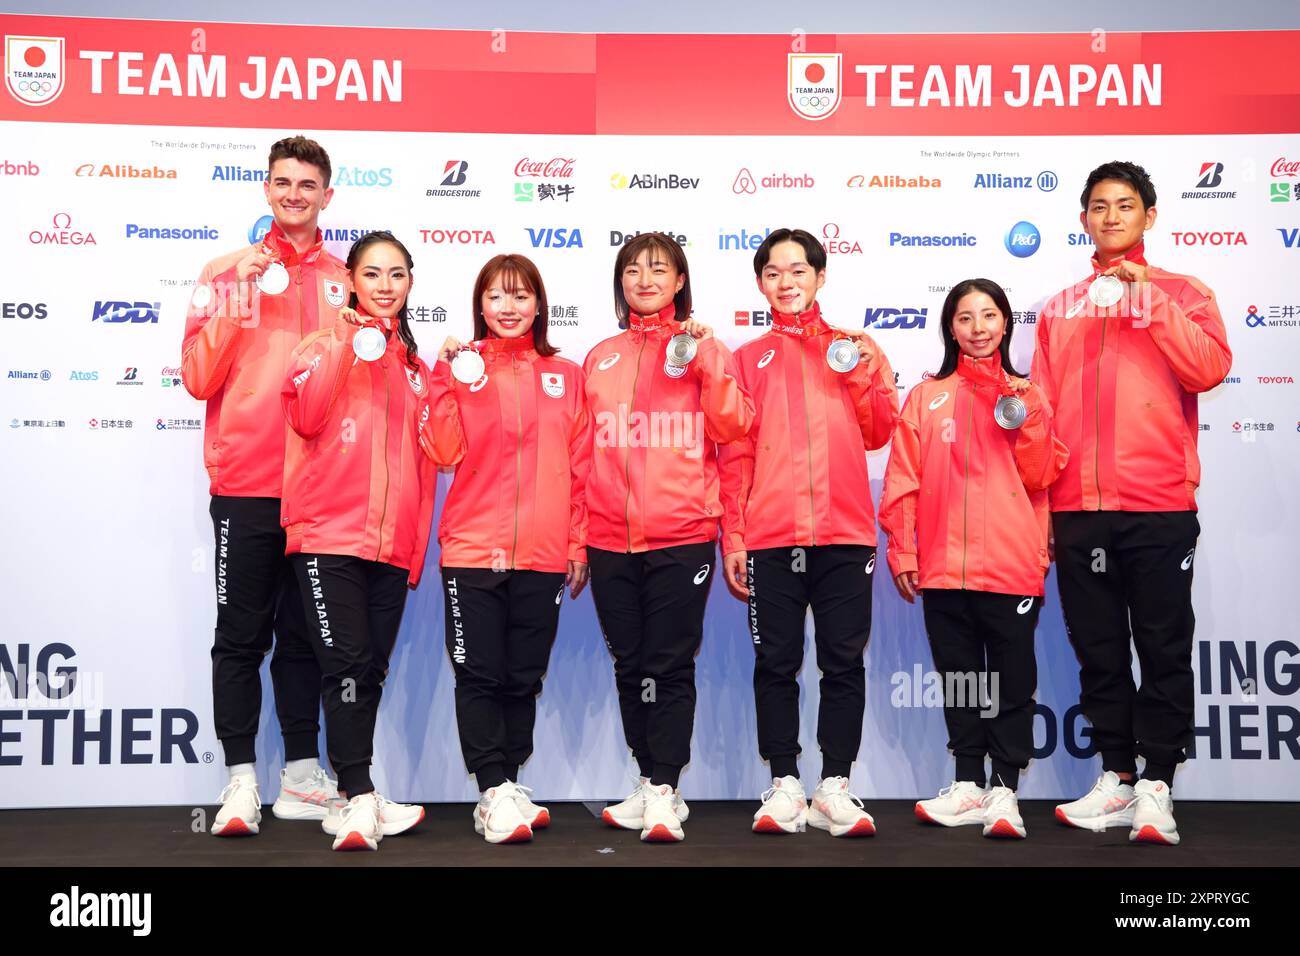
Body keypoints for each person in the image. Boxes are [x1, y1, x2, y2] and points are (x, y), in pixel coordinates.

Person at [1034, 161, 1231, 845]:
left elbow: (1207, 369)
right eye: (1098, 206)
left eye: (1125, 205)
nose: (1111, 216)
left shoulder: (1184, 292)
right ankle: (1117, 777)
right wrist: (1043, 507)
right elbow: (1042, 416)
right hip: (1078, 509)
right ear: (1083, 218)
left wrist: (1151, 302)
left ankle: (1158, 784)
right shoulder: (1060, 307)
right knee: (1098, 650)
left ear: (1150, 215)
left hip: (1158, 506)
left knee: (1163, 645)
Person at [182, 135, 346, 836]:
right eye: (283, 182)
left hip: (324, 490)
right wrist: (239, 293)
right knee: (240, 637)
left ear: (326, 195)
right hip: (248, 484)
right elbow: (196, 376)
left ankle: (302, 777)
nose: (294, 194)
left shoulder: (349, 281)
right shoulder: (223, 272)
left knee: (307, 637)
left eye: (307, 184)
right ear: (266, 189)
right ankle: (240, 781)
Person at [718, 228, 898, 838]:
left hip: (846, 535)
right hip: (771, 537)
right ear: (761, 284)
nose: (787, 282)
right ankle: (785, 782)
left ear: (821, 277)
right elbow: (735, 457)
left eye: (799, 270)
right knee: (776, 663)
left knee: (843, 663)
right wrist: (735, 537)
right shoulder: (746, 359)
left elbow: (878, 431)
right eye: (773, 272)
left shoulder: (856, 348)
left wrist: (861, 375)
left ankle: (836, 785)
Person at [880, 279, 1069, 839]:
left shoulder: (1027, 396)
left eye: (989, 316)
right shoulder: (925, 397)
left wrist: (1023, 416)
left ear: (1006, 324)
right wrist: (905, 549)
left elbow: (1040, 477)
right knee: (962, 678)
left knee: (1011, 680)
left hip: (1011, 564)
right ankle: (967, 782)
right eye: (966, 318)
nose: (979, 327)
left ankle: (1004, 789)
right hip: (942, 566)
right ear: (950, 328)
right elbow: (902, 482)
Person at [584, 232, 754, 843]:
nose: (645, 279)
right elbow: (583, 458)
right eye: (632, 270)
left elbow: (735, 433)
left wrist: (705, 356)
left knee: (669, 663)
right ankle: (647, 778)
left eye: (659, 269)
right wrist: (580, 538)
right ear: (621, 283)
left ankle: (665, 785)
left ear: (680, 280)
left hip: (682, 536)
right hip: (609, 539)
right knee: (631, 663)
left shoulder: (707, 350)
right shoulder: (600, 356)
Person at [422, 254, 592, 845]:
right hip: (473, 550)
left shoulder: (566, 375)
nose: (509, 308)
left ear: (539, 305)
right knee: (478, 675)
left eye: (521, 297)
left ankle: (508, 783)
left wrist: (575, 541)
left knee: (523, 677)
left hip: (542, 554)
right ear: (480, 306)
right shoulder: (464, 371)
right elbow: (443, 451)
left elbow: (580, 467)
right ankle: (492, 787)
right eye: (496, 297)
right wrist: (444, 377)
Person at [280, 231, 435, 851]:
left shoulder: (414, 366)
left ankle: (353, 795)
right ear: (351, 281)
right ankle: (361, 796)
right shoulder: (319, 345)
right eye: (373, 274)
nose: (385, 286)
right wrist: (346, 340)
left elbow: (432, 463)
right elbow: (307, 415)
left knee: (367, 670)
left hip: (391, 547)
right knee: (345, 667)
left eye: (397, 275)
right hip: (328, 536)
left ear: (410, 284)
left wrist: (413, 548)